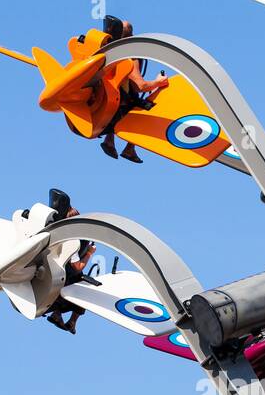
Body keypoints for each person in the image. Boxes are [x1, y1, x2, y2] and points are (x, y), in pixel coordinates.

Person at [97, 18, 170, 163]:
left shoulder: (103, 50)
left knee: (122, 96)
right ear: (131, 36)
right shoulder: (130, 56)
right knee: (152, 108)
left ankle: (110, 139)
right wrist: (158, 82)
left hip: (105, 100)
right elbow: (141, 86)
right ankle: (130, 147)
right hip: (123, 103)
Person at [42, 189, 98, 334]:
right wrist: (89, 254)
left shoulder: (53, 228)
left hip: (52, 272)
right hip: (62, 279)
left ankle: (59, 315)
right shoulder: (72, 242)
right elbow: (77, 266)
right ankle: (71, 321)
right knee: (86, 288)